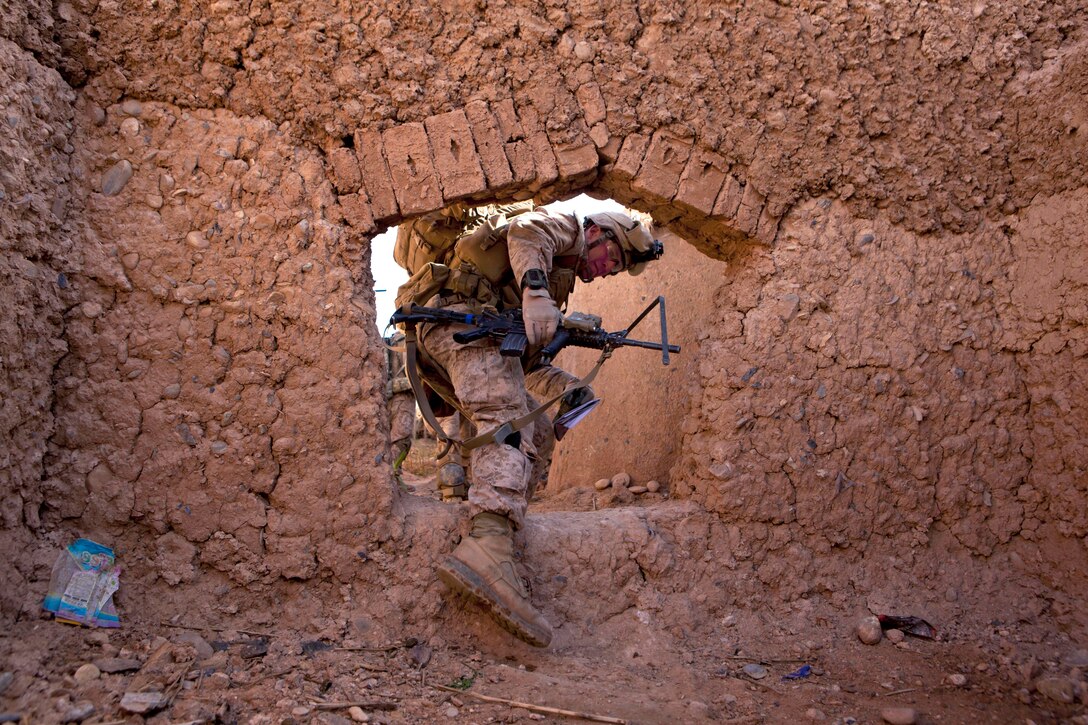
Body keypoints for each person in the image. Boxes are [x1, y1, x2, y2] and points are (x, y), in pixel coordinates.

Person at [398, 205, 663, 647]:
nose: (607, 271)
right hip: (452, 317)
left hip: (480, 334)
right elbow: (526, 230)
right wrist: (535, 293)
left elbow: (528, 365)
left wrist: (568, 389)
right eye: (612, 258)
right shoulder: (567, 231)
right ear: (597, 232)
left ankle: (504, 525)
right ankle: (488, 544)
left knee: (535, 427)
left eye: (615, 269)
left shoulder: (557, 277)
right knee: (504, 413)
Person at [383, 331, 416, 483]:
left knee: (401, 438)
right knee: (399, 438)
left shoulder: (405, 342)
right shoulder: (395, 343)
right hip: (391, 397)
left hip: (400, 397)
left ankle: (393, 476)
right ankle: (391, 477)